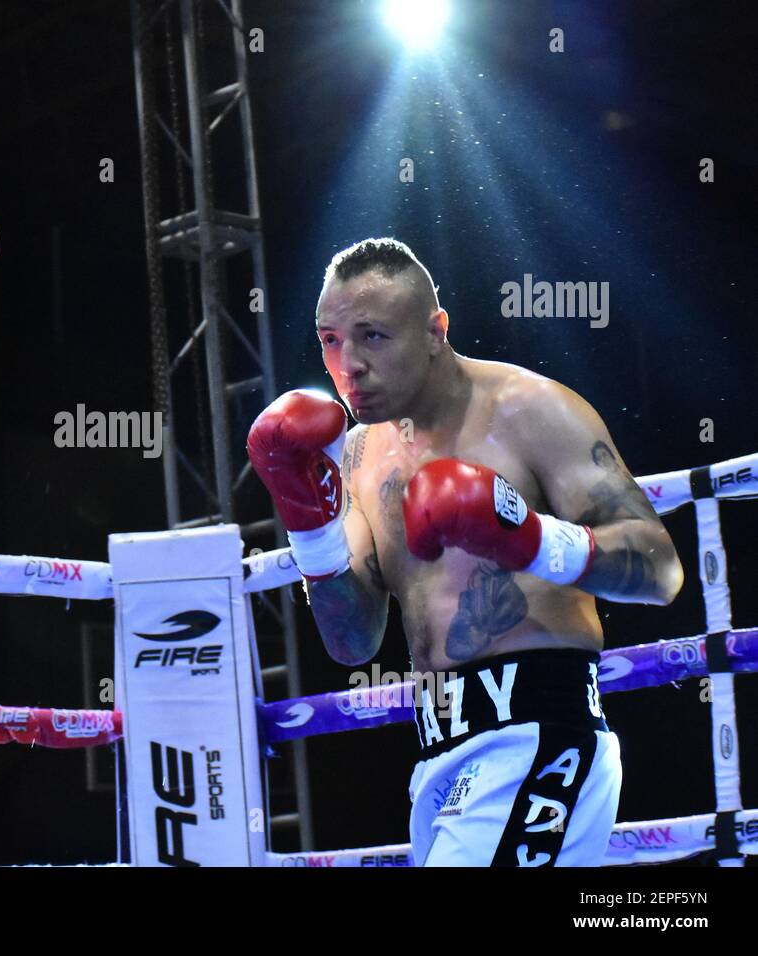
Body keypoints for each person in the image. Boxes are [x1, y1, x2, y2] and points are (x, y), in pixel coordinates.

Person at [247, 237, 682, 866]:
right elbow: (353, 642)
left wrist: (529, 538)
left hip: (540, 736)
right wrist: (307, 523)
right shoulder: (360, 456)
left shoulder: (529, 409)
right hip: (438, 755)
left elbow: (660, 567)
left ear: (434, 330)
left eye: (372, 336)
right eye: (331, 340)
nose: (349, 365)